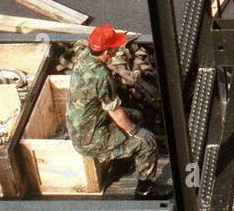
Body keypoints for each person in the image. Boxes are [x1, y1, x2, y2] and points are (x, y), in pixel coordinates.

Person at [65, 24, 171, 200]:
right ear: (107, 52)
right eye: (114, 47)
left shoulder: (85, 56)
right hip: (91, 139)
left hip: (83, 127)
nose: (117, 49)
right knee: (147, 142)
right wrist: (134, 132)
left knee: (137, 115)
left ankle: (122, 161)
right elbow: (114, 111)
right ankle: (145, 189)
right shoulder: (101, 76)